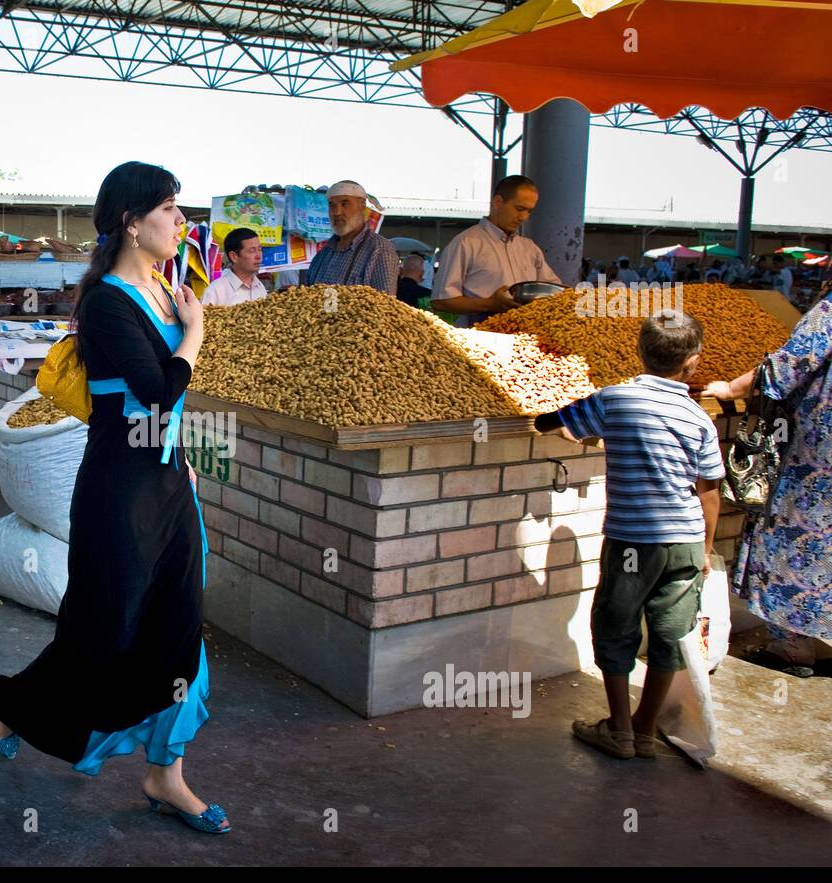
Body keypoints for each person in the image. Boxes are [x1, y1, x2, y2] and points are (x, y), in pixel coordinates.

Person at [0, 161, 228, 834]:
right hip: (118, 492)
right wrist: (198, 334)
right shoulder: (106, 302)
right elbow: (155, 390)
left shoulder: (163, 287)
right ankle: (6, 699)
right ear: (131, 219)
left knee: (178, 626)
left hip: (170, 482)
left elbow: (163, 408)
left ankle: (166, 774)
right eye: (170, 209)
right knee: (104, 630)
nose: (181, 222)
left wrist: (184, 462)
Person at [536, 309, 724, 759]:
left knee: (615, 627)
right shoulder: (698, 417)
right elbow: (710, 490)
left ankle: (618, 728)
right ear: (693, 361)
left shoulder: (615, 400)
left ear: (638, 352)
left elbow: (550, 422)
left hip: (631, 542)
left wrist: (586, 436)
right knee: (670, 634)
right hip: (684, 541)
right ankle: (644, 728)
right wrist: (706, 548)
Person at [701, 298, 831, 677]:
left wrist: (730, 388)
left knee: (790, 540)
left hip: (816, 458)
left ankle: (791, 648)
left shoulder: (828, 314)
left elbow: (784, 368)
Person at [431, 175, 562, 327]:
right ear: (498, 202)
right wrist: (489, 304)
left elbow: (555, 292)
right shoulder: (466, 243)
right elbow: (441, 301)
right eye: (519, 209)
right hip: (480, 336)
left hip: (526, 337)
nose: (523, 217)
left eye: (529, 211)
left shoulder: (530, 248)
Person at [303, 180, 401, 296]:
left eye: (345, 204)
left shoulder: (379, 249)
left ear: (362, 206)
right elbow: (310, 297)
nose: (337, 212)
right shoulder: (324, 252)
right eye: (332, 205)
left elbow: (385, 307)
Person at [201, 227, 266, 306]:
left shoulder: (260, 287)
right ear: (234, 257)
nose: (258, 256)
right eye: (252, 251)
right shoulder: (215, 291)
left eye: (259, 249)